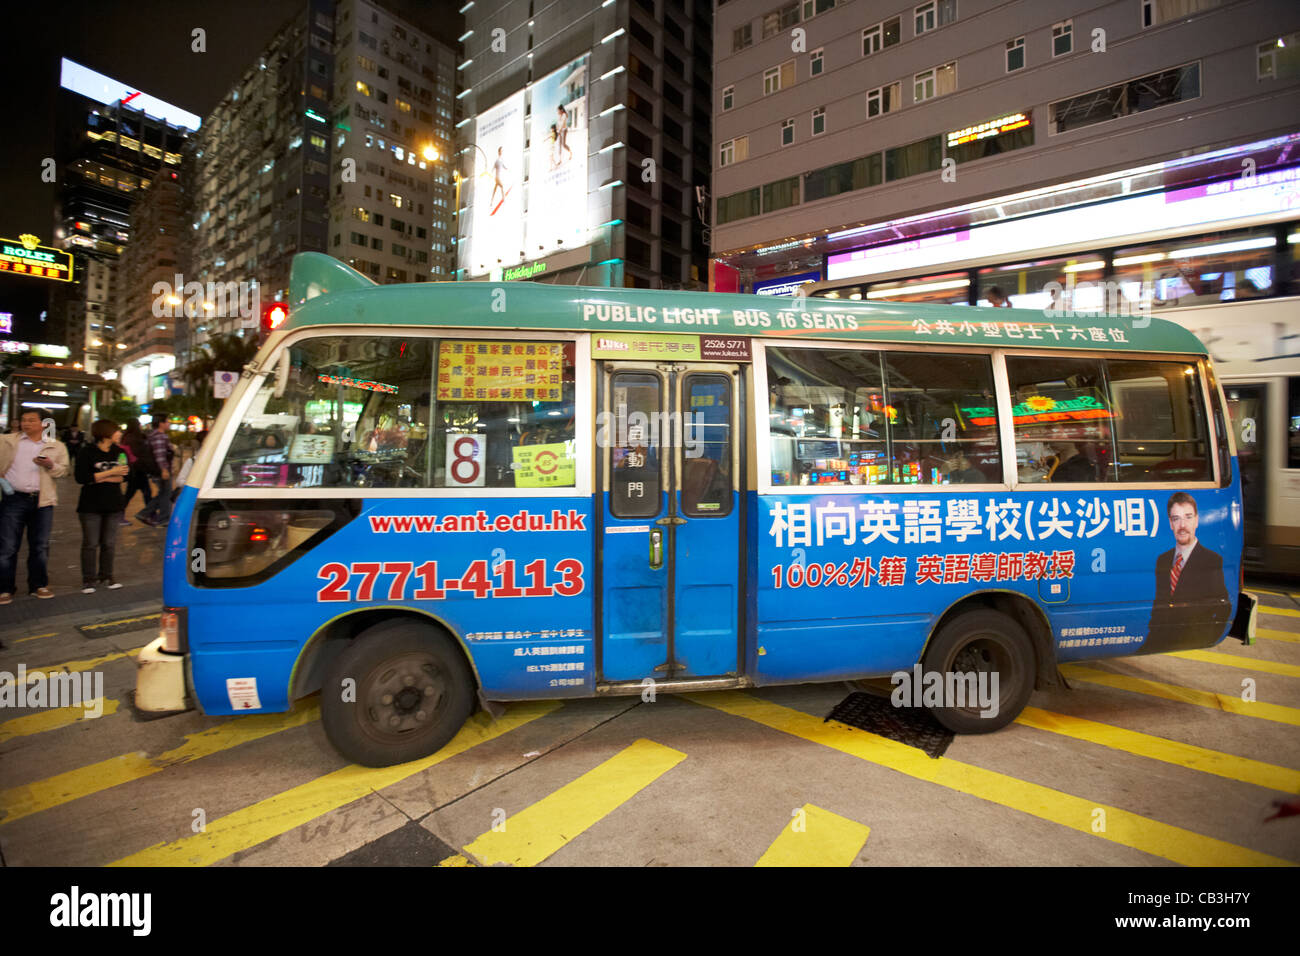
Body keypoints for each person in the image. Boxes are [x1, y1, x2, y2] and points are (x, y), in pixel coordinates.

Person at [1145, 491, 1232, 654]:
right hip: (1157, 641)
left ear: (1197, 521)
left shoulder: (1212, 560)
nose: (1182, 525)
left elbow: (1223, 607)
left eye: (1188, 517)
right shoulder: (1162, 560)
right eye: (1176, 519)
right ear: (1170, 523)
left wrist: (1207, 638)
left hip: (1190, 642)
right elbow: (1158, 606)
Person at [0, 410, 70, 604]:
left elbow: (63, 472)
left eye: (32, 420)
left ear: (44, 424)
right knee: (7, 546)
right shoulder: (7, 441)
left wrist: (50, 465)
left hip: (42, 501)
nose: (26, 423)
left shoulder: (56, 446)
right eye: (23, 420)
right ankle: (5, 589)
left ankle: (38, 585)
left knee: (40, 546)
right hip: (13, 498)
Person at [75, 419, 128, 593]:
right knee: (90, 543)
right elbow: (82, 478)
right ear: (106, 433)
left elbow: (125, 476)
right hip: (90, 505)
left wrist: (99, 477)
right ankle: (88, 579)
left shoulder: (119, 452)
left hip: (113, 503)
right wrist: (111, 472)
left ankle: (107, 576)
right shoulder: (87, 452)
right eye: (117, 431)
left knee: (109, 543)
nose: (119, 434)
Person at [137, 415, 174, 527]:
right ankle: (158, 517)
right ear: (161, 423)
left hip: (156, 470)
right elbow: (160, 455)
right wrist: (164, 470)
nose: (169, 423)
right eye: (167, 421)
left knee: (164, 493)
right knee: (166, 493)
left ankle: (156, 516)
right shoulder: (159, 436)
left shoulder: (153, 435)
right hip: (160, 470)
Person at [120, 419, 153, 524]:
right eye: (139, 424)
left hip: (134, 469)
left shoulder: (126, 437)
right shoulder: (135, 439)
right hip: (138, 470)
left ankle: (149, 514)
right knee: (146, 493)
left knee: (131, 494)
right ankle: (149, 515)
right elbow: (140, 454)